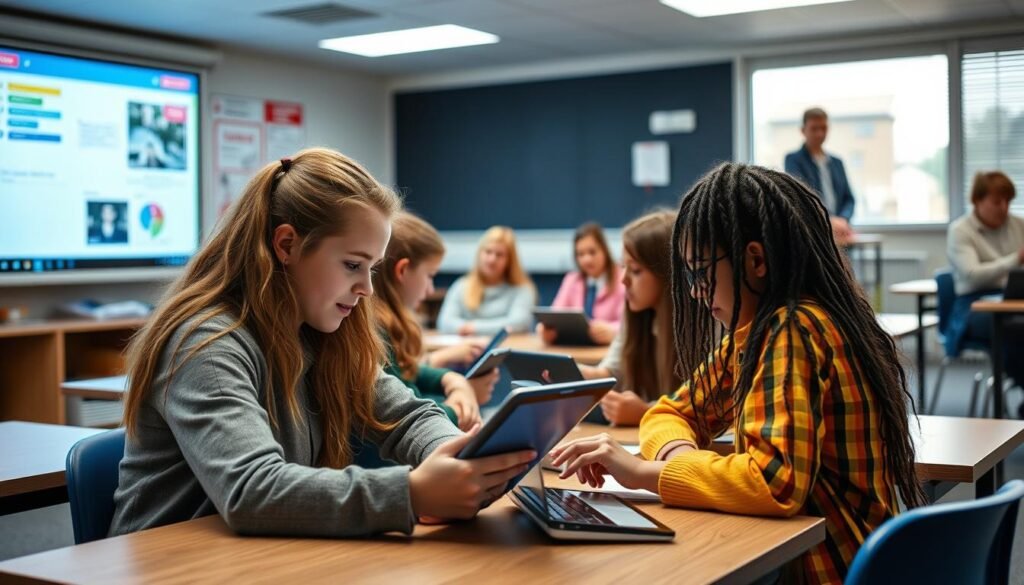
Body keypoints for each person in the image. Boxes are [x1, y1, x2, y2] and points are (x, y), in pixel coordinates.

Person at [110, 148, 534, 538]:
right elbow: (251, 490)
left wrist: (452, 456)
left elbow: (406, 416)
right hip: (170, 566)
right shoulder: (205, 343)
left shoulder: (324, 333)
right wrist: (412, 492)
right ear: (287, 245)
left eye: (373, 268)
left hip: (262, 557)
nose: (367, 288)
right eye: (352, 264)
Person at [553, 163, 924, 583]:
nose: (693, 290)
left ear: (755, 260)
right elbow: (668, 413)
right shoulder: (756, 333)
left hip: (823, 571)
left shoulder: (791, 330)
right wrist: (685, 462)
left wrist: (643, 473)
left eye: (699, 271)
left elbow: (772, 484)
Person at [371, 211, 500, 431]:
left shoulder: (385, 324)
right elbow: (403, 418)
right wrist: (459, 408)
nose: (431, 289)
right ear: (402, 270)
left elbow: (407, 377)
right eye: (430, 275)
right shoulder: (377, 331)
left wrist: (451, 379)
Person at [578, 211, 681, 426]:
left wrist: (646, 412)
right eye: (623, 267)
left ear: (668, 274)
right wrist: (573, 374)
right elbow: (609, 373)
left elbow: (708, 408)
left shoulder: (705, 328)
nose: (623, 280)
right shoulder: (637, 318)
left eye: (635, 270)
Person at [947, 171, 1024, 389]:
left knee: (1016, 325)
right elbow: (972, 275)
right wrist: (1015, 260)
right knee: (1015, 328)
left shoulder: (1019, 225)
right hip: (973, 307)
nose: (1004, 208)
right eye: (997, 202)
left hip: (1012, 302)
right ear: (977, 201)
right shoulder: (960, 231)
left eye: (1008, 202)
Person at [437, 226, 536, 335]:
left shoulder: (522, 289)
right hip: (466, 349)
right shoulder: (461, 286)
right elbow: (444, 322)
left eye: (499, 255)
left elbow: (519, 323)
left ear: (510, 261)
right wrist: (467, 328)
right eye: (488, 252)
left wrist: (474, 328)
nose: (492, 259)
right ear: (479, 253)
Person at [538, 222, 625, 346]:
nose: (587, 259)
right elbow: (556, 314)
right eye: (581, 254)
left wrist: (613, 331)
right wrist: (545, 329)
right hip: (576, 349)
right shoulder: (572, 279)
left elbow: (632, 324)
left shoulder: (622, 279)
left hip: (607, 351)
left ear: (604, 250)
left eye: (592, 252)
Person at [784, 107, 856, 243]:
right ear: (803, 130)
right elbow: (801, 196)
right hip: (812, 232)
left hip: (840, 232)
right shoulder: (793, 160)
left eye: (824, 128)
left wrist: (843, 219)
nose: (819, 133)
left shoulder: (837, 162)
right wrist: (828, 220)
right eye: (814, 128)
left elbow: (849, 199)